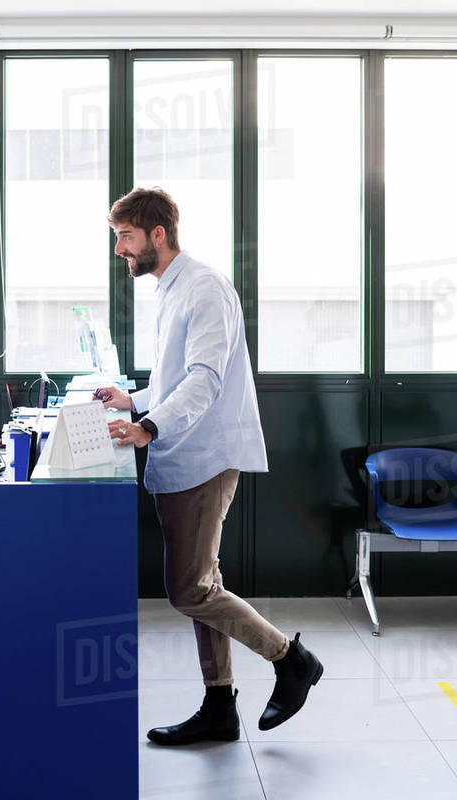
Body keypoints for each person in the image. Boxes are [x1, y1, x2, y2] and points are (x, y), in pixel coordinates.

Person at [96, 188, 323, 746]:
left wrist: (149, 426)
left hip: (204, 456)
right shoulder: (170, 290)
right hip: (182, 451)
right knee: (205, 583)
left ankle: (292, 660)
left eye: (126, 237)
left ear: (158, 234)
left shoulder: (204, 287)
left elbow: (205, 377)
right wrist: (135, 399)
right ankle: (220, 704)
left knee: (189, 590)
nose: (120, 250)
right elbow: (175, 375)